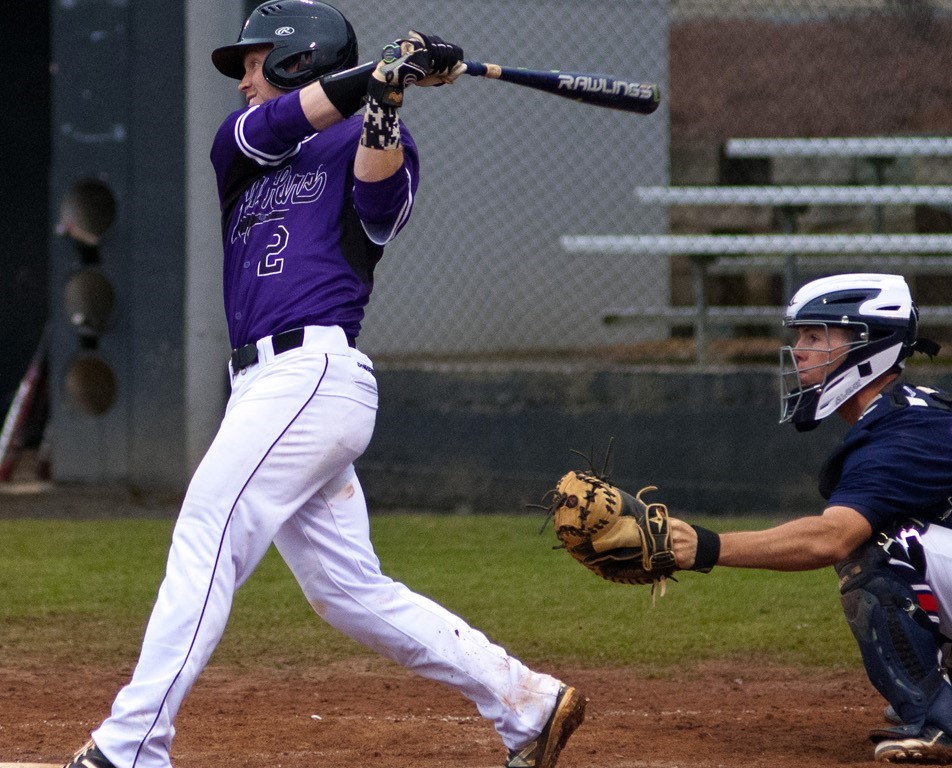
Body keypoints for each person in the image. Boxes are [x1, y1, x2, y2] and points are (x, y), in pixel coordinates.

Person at [60, 4, 586, 768]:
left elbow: (375, 199)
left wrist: (389, 96)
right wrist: (379, 71)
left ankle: (132, 743)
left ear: (298, 57)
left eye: (254, 59)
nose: (242, 78)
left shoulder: (375, 139)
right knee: (348, 591)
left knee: (207, 529)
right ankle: (529, 704)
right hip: (267, 389)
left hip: (311, 374)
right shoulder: (241, 148)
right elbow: (279, 126)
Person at [663, 273, 952, 765]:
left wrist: (704, 547)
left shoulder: (902, 434)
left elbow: (829, 540)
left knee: (882, 549)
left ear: (868, 345)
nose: (798, 351)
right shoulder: (914, 411)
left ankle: (945, 725)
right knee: (902, 540)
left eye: (815, 336)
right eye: (799, 337)